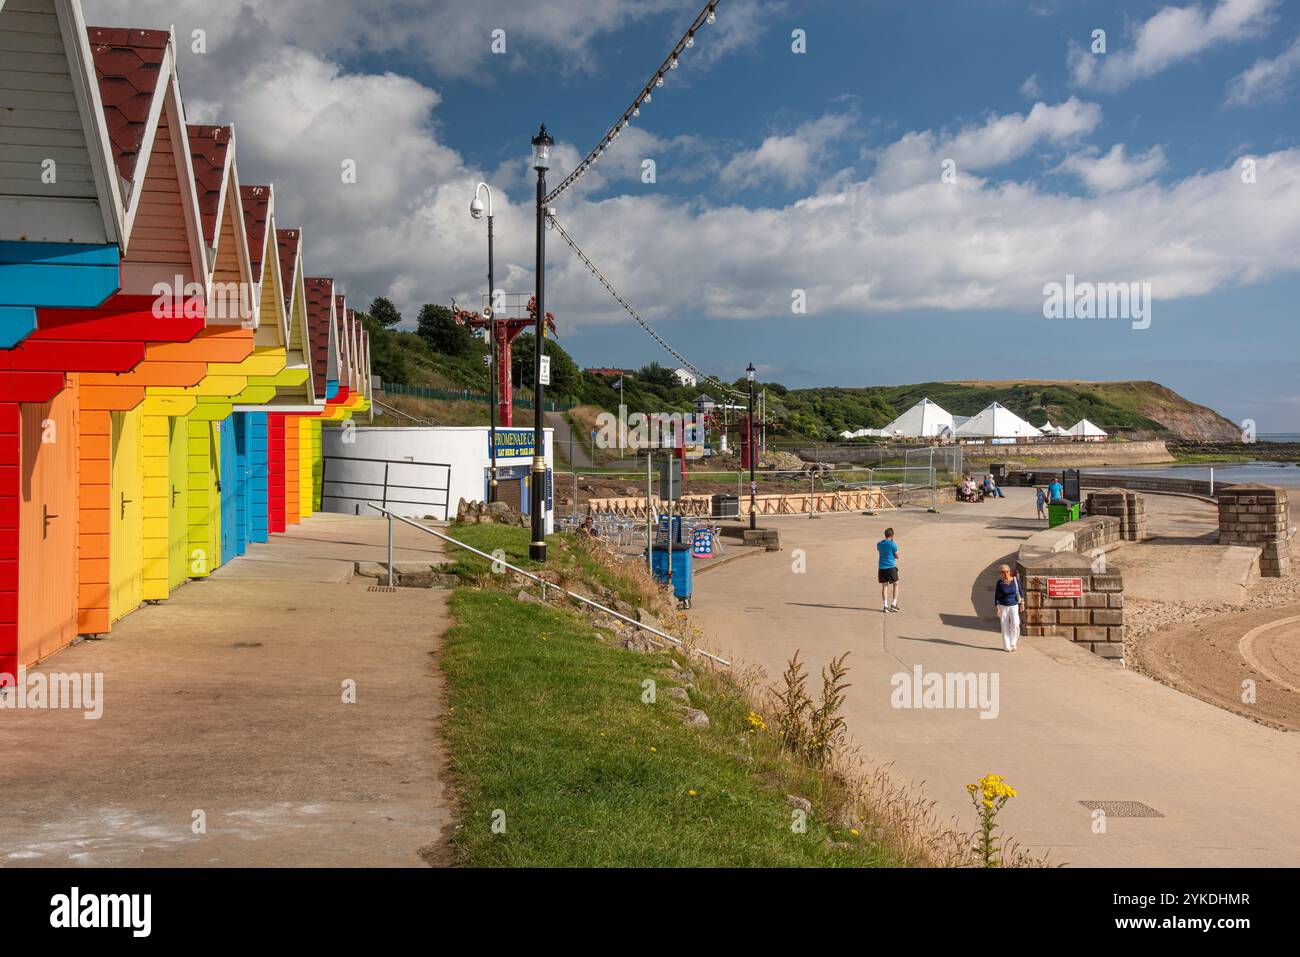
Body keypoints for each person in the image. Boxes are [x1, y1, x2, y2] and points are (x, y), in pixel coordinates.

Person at [994, 564, 1023, 652]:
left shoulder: (1015, 580)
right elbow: (997, 596)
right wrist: (997, 608)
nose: (1005, 573)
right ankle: (1007, 646)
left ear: (1009, 571)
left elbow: (1020, 591)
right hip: (1003, 606)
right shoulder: (1000, 583)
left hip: (1014, 605)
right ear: (1000, 573)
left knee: (1015, 624)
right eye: (1003, 572)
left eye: (1007, 571)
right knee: (1004, 625)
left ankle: (1013, 643)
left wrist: (1022, 603)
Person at [877, 527, 900, 613]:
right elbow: (897, 556)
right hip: (891, 567)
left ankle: (885, 606)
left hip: (882, 568)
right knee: (896, 584)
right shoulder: (893, 544)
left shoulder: (879, 544)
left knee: (884, 586)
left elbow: (881, 553)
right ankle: (894, 604)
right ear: (892, 535)